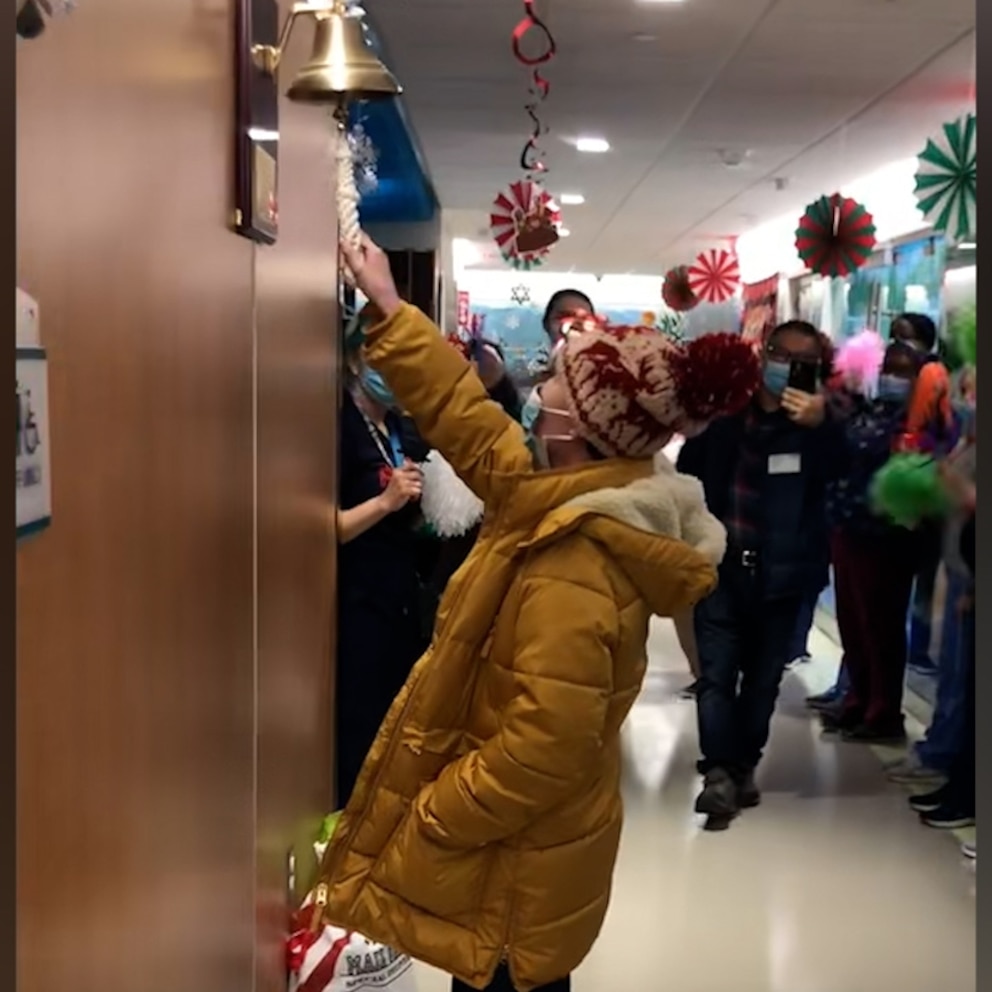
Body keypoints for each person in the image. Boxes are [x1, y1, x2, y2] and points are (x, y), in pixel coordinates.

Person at [318, 234, 756, 992]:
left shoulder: (575, 562)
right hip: (526, 857)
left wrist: (434, 815)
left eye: (552, 382)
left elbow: (543, 748)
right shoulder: (569, 497)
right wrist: (391, 312)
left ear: (578, 431)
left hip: (515, 862)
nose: (537, 386)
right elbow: (472, 425)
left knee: (507, 981)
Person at [677, 320, 841, 829]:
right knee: (716, 675)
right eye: (779, 353)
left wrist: (823, 425)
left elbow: (849, 470)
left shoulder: (820, 428)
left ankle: (743, 764)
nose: (786, 366)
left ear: (815, 368)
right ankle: (720, 772)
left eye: (801, 359)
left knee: (764, 681)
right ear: (762, 354)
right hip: (723, 569)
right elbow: (688, 471)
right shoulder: (726, 417)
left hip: (784, 577)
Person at [335, 313, 430, 807]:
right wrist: (385, 503)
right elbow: (319, 529)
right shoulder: (338, 425)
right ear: (355, 360)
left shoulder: (393, 423)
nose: (393, 375)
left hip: (399, 593)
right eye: (382, 362)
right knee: (361, 725)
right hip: (358, 598)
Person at [819, 341, 934, 744]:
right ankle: (858, 699)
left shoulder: (917, 424)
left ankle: (883, 711)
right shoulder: (869, 410)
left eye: (903, 371)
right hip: (847, 527)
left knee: (881, 627)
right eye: (888, 367)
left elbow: (865, 450)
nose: (892, 377)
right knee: (852, 623)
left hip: (885, 538)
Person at [887, 382, 975, 784]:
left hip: (970, 576)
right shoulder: (967, 441)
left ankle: (947, 758)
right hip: (958, 566)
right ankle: (940, 749)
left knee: (961, 675)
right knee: (952, 669)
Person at [907, 460, 975, 832]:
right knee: (960, 678)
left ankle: (966, 793)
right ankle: (960, 786)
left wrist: (964, 494)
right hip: (964, 569)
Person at [889, 313, 954, 675]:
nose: (898, 342)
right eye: (894, 334)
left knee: (914, 576)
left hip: (918, 486)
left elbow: (922, 428)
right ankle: (915, 648)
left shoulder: (927, 374)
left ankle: (916, 647)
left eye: (905, 335)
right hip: (916, 484)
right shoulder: (913, 373)